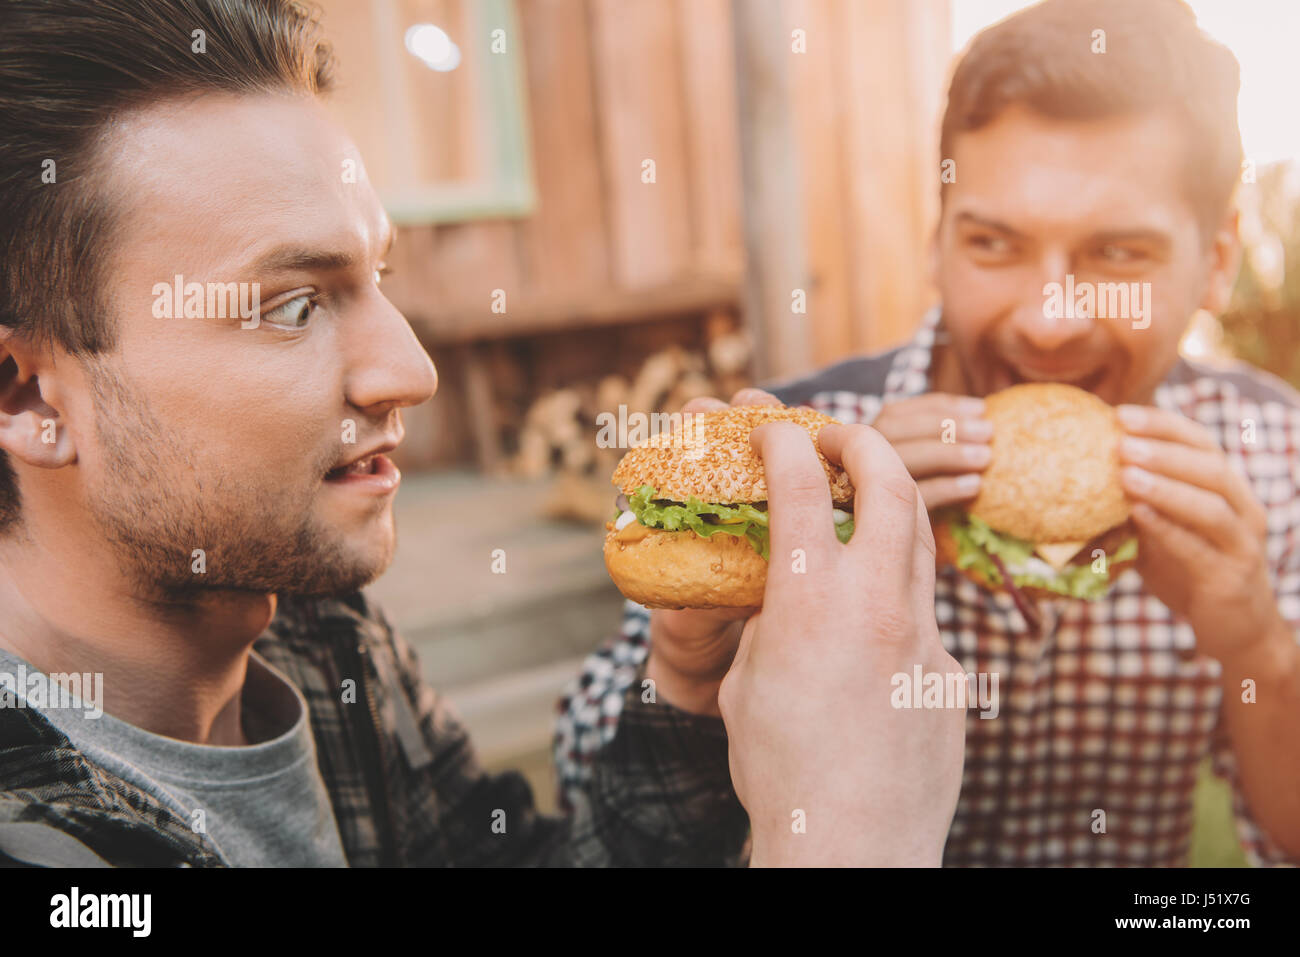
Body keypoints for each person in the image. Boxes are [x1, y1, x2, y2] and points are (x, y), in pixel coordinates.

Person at [0, 0, 962, 867]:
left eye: (378, 277)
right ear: (28, 396)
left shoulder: (317, 631)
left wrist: (686, 677)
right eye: (290, 307)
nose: (410, 371)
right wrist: (847, 834)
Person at [558, 0, 1300, 866]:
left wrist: (1258, 646)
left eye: (1118, 254)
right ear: (937, 244)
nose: (1051, 320)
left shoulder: (1273, 452)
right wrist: (713, 649)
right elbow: (590, 822)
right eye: (994, 243)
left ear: (1215, 263)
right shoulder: (785, 451)